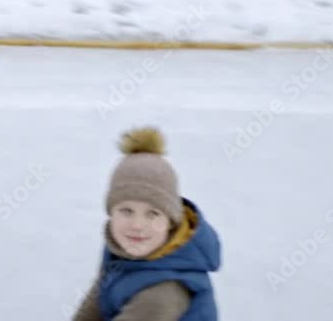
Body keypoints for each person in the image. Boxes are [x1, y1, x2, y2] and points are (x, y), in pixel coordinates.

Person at [72, 126, 222, 321]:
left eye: (152, 214)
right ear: (111, 214)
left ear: (171, 222)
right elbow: (95, 304)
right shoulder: (121, 252)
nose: (137, 225)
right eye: (126, 211)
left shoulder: (163, 292)